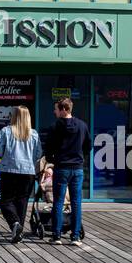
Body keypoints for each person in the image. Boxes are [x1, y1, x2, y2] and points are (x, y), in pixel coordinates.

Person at [44, 96, 88, 244]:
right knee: (76, 202)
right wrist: (80, 156)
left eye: (56, 109)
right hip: (77, 168)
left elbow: (48, 148)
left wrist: (51, 160)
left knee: (58, 201)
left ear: (63, 109)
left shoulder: (55, 127)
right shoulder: (82, 126)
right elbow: (88, 146)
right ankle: (75, 236)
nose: (54, 111)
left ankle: (56, 236)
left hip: (61, 168)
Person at [0, 105, 41, 243]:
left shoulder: (5, 131)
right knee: (22, 200)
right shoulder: (34, 134)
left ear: (14, 116)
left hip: (9, 170)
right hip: (28, 171)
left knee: (5, 201)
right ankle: (18, 232)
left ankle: (15, 224)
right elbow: (38, 154)